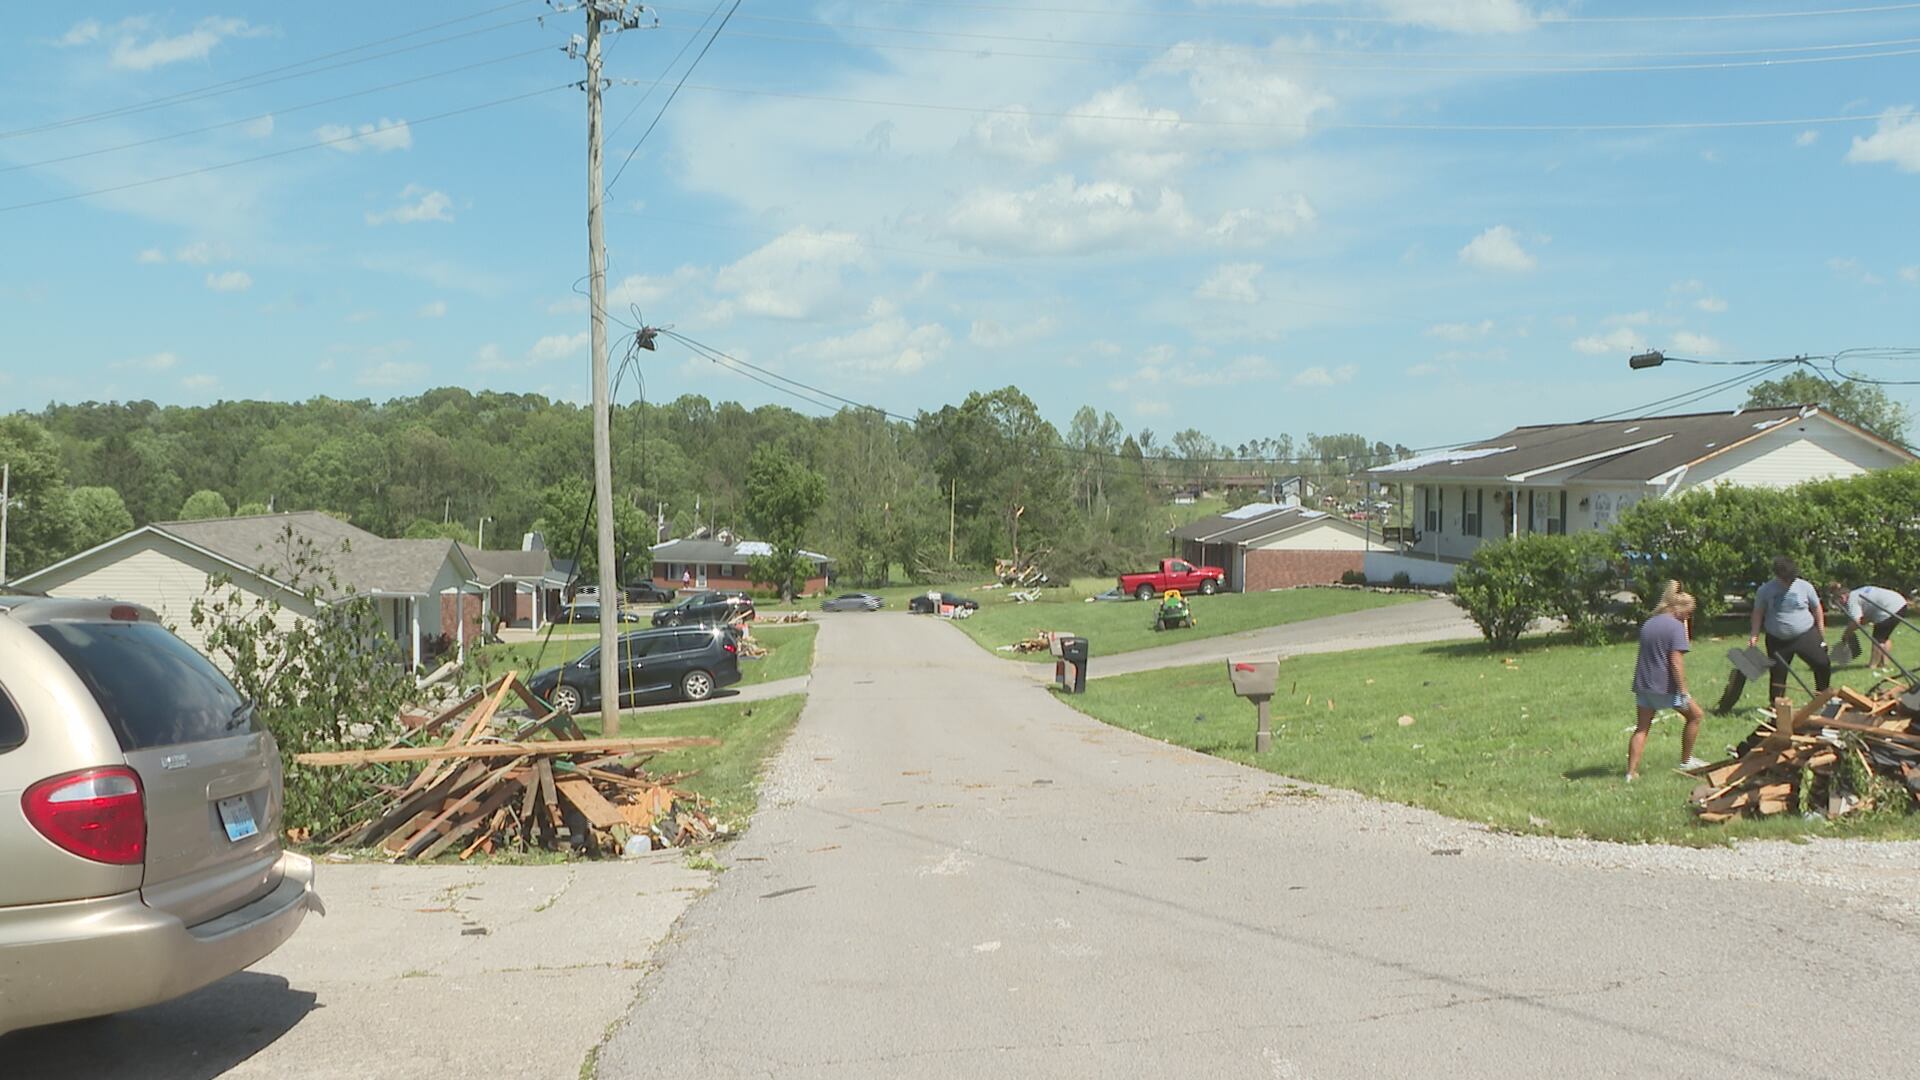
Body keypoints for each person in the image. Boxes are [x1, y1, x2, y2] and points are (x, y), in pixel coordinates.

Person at [1629, 581, 1707, 781]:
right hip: (1664, 686)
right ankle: (1686, 760)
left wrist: (1685, 624)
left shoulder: (1650, 622)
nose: (1688, 618)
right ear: (1679, 609)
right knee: (1696, 716)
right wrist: (1683, 691)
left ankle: (1631, 773)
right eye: (1688, 613)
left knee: (1642, 728)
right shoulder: (1674, 627)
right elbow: (1675, 661)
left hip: (1643, 684)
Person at [1750, 556, 1830, 704]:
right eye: (1785, 579)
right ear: (1777, 576)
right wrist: (1754, 634)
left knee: (1822, 663)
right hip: (1777, 639)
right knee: (1778, 676)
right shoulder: (1765, 590)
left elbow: (1817, 608)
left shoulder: (1805, 587)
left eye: (1791, 579)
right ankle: (1777, 707)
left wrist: (1820, 633)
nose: (1788, 582)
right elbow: (1758, 612)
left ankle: (1823, 697)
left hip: (1805, 634)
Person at [1829, 581, 1908, 670]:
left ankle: (1872, 665)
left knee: (1877, 639)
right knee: (1884, 637)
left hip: (1889, 608)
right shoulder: (1857, 593)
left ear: (1842, 597)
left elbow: (1856, 621)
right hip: (1900, 603)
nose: (1840, 606)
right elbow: (1864, 617)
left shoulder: (1852, 599)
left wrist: (1846, 635)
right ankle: (1884, 664)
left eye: (1838, 602)